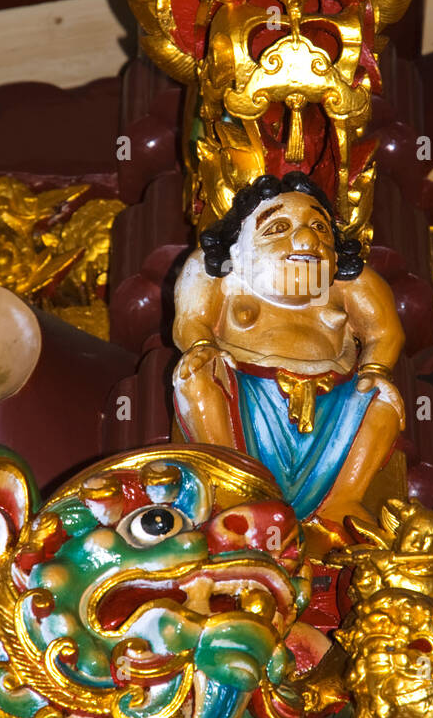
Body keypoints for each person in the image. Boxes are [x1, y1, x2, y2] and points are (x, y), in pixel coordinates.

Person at [172, 172, 405, 548]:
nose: (305, 239)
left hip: (334, 397)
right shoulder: (217, 274)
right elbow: (191, 320)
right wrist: (202, 346)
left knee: (385, 399)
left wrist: (375, 368)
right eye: (278, 227)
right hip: (246, 388)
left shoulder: (349, 283)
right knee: (195, 376)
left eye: (320, 228)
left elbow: (384, 332)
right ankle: (235, 490)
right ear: (237, 249)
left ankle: (343, 500)